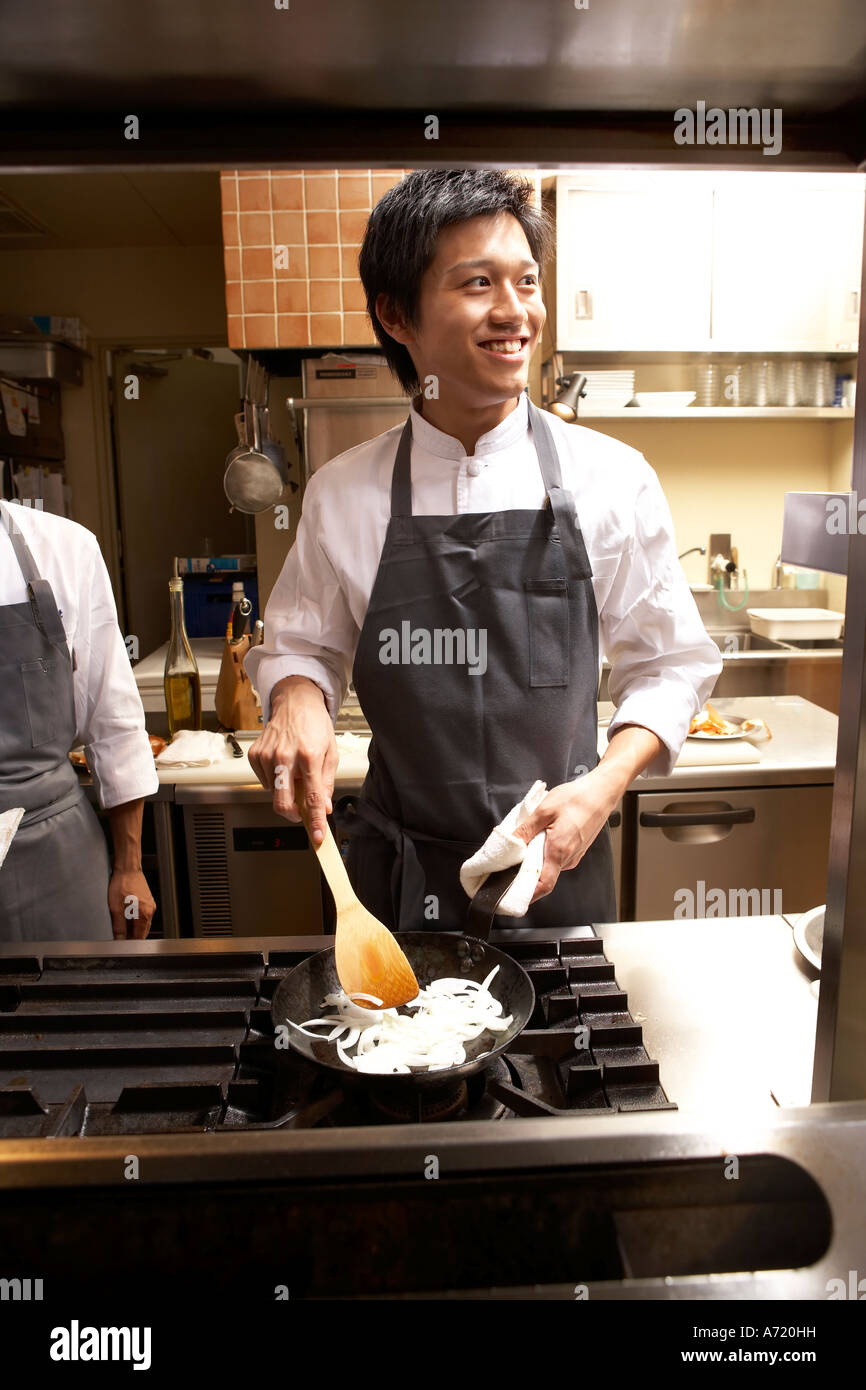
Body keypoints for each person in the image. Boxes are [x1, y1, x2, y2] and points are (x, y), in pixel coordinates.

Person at [247, 169, 722, 931]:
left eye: (527, 282)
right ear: (396, 315)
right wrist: (298, 699)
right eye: (478, 283)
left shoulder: (611, 478)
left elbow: (669, 666)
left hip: (555, 870)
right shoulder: (342, 493)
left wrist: (602, 786)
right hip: (397, 887)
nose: (516, 311)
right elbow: (302, 647)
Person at [0, 499, 158, 940]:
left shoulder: (66, 547)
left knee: (79, 1003)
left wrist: (129, 868)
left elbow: (114, 723)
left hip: (54, 856)